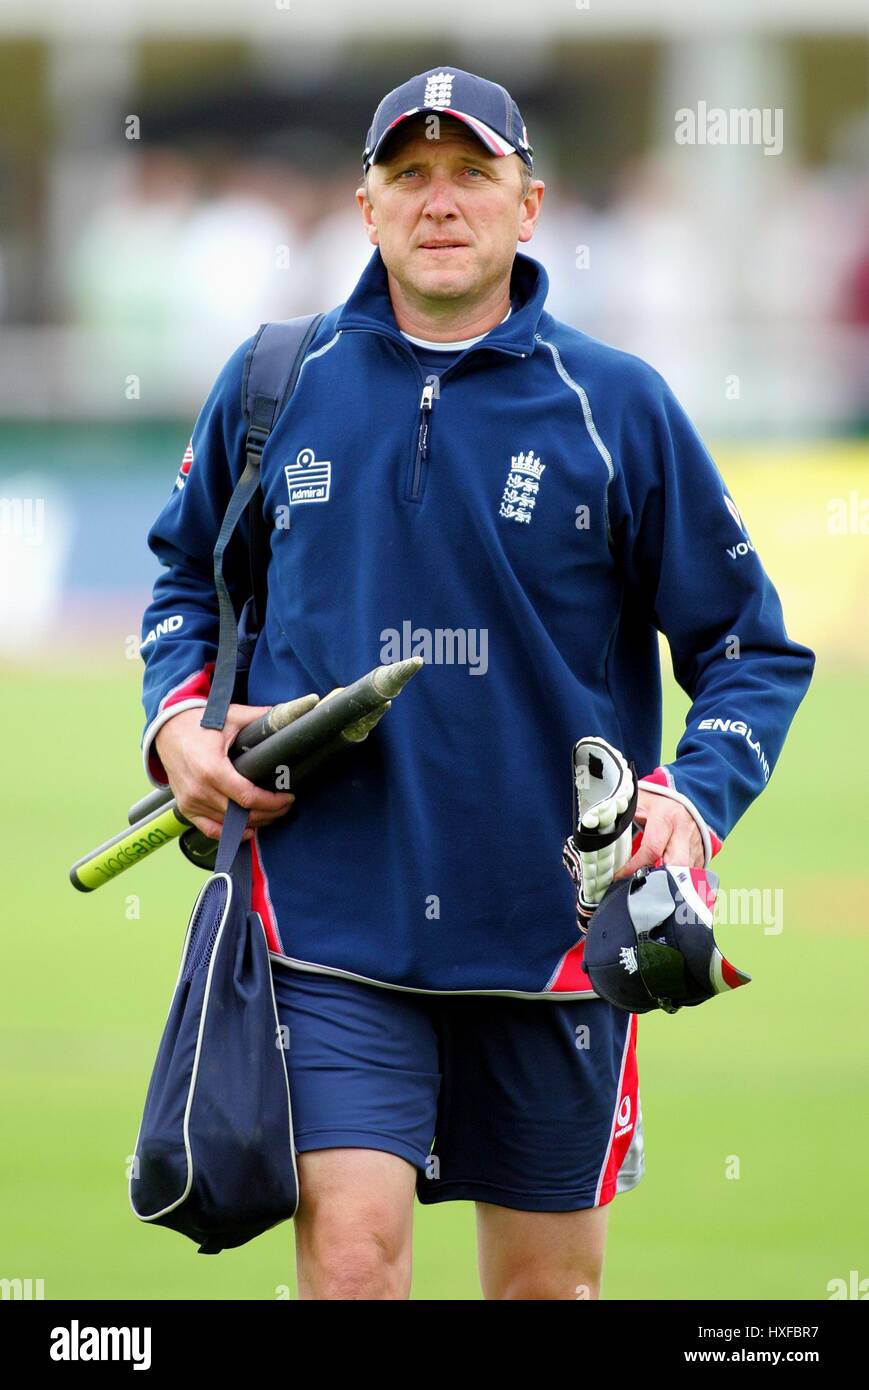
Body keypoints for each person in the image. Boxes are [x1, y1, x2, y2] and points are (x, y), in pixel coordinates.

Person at [139, 66, 815, 1300]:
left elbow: (747, 651)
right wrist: (179, 728)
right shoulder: (272, 383)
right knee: (351, 1269)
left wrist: (689, 797)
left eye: (470, 174)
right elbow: (187, 584)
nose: (438, 202)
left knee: (542, 1294)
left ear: (528, 203)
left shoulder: (619, 405)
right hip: (328, 923)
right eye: (408, 176)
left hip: (551, 938)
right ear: (365, 207)